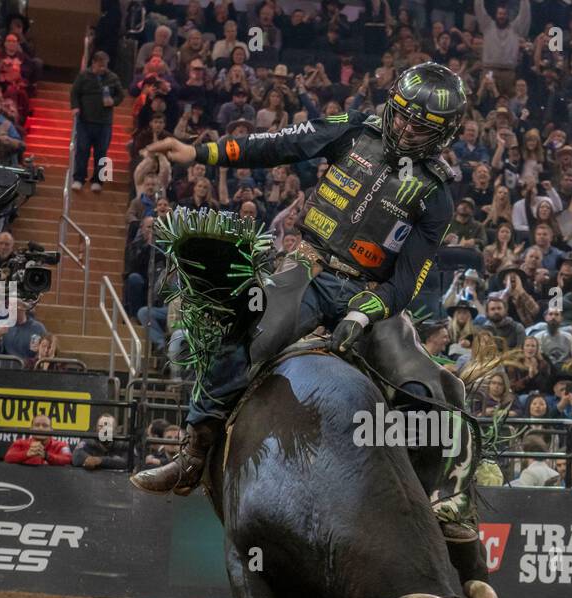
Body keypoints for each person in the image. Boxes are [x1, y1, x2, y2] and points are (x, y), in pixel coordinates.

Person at [132, 63, 480, 540]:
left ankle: (446, 502)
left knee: (431, 389)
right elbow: (280, 143)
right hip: (309, 270)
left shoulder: (436, 196)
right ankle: (192, 453)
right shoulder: (355, 129)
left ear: (445, 133)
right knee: (244, 334)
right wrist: (197, 151)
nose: (404, 128)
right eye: (400, 116)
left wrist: (364, 311)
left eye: (420, 125)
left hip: (369, 297)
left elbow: (405, 284)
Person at [70, 49, 124, 192]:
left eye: (105, 65)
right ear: (93, 63)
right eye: (100, 65)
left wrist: (113, 101)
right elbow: (74, 92)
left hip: (104, 122)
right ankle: (78, 178)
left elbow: (121, 95)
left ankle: (98, 181)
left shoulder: (112, 77)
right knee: (82, 150)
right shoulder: (84, 76)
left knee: (101, 152)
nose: (102, 68)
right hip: (85, 121)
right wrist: (75, 107)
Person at [4, 414, 73, 466]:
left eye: (45, 426)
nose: (40, 428)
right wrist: (27, 454)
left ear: (51, 430)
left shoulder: (61, 445)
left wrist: (46, 456)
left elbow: (68, 459)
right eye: (37, 425)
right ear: (31, 429)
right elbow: (8, 458)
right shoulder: (20, 443)